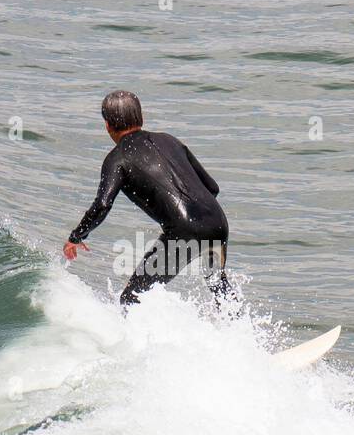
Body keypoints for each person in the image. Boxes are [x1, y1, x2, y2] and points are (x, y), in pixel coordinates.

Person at [64, 91, 233, 306]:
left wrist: (76, 237)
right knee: (218, 285)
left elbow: (103, 204)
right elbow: (212, 187)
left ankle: (136, 339)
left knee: (131, 298)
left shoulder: (117, 159)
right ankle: (245, 334)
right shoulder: (170, 140)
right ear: (141, 118)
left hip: (185, 231)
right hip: (217, 222)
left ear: (107, 125)